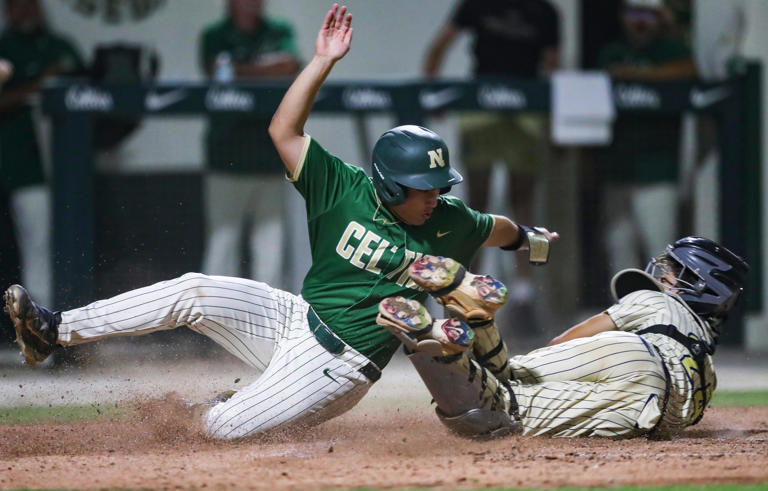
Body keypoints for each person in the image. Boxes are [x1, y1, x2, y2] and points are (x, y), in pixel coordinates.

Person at [4, 4, 558, 440]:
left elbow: (496, 226)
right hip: (295, 317)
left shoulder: (449, 217)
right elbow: (283, 132)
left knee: (218, 430)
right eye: (425, 189)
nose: (437, 197)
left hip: (340, 367)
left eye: (442, 187)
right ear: (389, 185)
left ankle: (233, 410)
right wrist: (322, 61)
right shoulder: (343, 187)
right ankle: (53, 331)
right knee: (194, 289)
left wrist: (531, 240)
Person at [377, 236, 748, 438]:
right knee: (507, 410)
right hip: (647, 410)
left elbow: (562, 344)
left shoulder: (654, 300)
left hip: (635, 353)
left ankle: (464, 324)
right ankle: (447, 335)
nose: (663, 274)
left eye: (673, 271)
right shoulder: (708, 375)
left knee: (507, 385)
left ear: (695, 285)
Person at [422, 0, 560, 319]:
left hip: (525, 102)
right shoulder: (478, 4)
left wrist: (554, 119)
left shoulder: (545, 12)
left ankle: (525, 293)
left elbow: (552, 64)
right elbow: (440, 45)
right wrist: (431, 91)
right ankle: (468, 285)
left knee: (522, 199)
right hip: (482, 99)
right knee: (478, 202)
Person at [199, 0, 300, 287]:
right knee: (222, 243)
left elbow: (291, 65)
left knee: (270, 246)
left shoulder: (278, 30)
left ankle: (269, 320)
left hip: (270, 156)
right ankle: (215, 318)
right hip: (226, 155)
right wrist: (267, 69)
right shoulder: (215, 34)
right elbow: (214, 72)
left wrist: (239, 69)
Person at [596, 0, 696, 273]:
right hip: (617, 168)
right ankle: (626, 312)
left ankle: (665, 314)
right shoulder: (613, 51)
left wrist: (639, 75)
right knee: (618, 246)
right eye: (633, 13)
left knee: (661, 251)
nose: (639, 21)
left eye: (647, 14)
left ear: (660, 17)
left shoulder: (671, 50)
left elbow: (690, 69)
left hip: (658, 169)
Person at [0, 0, 86, 310]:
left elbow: (86, 90)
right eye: (16, 5)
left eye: (29, 4)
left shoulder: (59, 46)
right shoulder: (4, 45)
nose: (24, 11)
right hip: (10, 158)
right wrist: (39, 84)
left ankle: (41, 331)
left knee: (39, 248)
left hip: (37, 166)